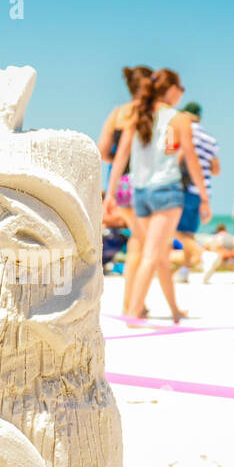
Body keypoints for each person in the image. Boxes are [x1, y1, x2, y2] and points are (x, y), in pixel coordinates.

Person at [104, 69, 211, 323]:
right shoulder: (178, 119)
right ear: (171, 89)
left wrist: (110, 193)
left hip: (140, 193)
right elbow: (191, 159)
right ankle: (132, 313)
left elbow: (120, 156)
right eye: (181, 88)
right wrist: (204, 196)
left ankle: (174, 310)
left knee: (159, 253)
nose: (182, 93)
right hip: (166, 192)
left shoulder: (140, 115)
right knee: (151, 254)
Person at [97, 66, 152, 313]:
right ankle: (132, 304)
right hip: (142, 181)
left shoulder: (117, 113)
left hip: (118, 182)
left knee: (137, 245)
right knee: (139, 246)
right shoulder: (148, 113)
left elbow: (103, 150)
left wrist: (110, 188)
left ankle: (135, 301)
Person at [174, 101, 220, 281]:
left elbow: (178, 158)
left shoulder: (186, 132)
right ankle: (184, 271)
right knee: (188, 232)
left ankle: (203, 255)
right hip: (202, 192)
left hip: (183, 188)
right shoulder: (210, 139)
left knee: (172, 229)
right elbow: (216, 170)